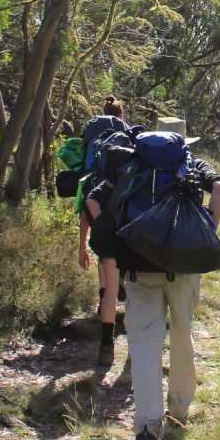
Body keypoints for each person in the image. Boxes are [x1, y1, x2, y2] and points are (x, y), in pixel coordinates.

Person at [89, 117, 220, 440]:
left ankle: (146, 430)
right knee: (182, 335)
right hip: (183, 267)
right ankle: (178, 411)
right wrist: (209, 227)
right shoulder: (192, 164)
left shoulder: (132, 162)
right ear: (182, 140)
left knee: (144, 347)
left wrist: (111, 232)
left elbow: (94, 199)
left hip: (138, 268)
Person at [77, 96, 130, 366]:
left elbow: (87, 204)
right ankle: (136, 343)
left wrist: (83, 244)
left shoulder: (97, 153)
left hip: (101, 220)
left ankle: (106, 347)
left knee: (108, 285)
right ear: (122, 115)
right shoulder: (130, 146)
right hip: (128, 227)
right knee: (131, 288)